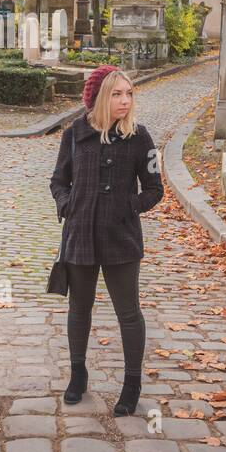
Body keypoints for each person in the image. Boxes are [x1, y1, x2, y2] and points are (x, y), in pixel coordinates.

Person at [48, 64, 163, 416]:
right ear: (99, 97)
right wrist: (69, 205)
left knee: (129, 313)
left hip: (121, 238)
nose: (125, 100)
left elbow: (155, 189)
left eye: (129, 93)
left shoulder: (140, 137)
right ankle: (78, 374)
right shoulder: (74, 134)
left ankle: (131, 383)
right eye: (117, 94)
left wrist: (129, 207)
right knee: (79, 309)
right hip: (80, 235)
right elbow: (58, 180)